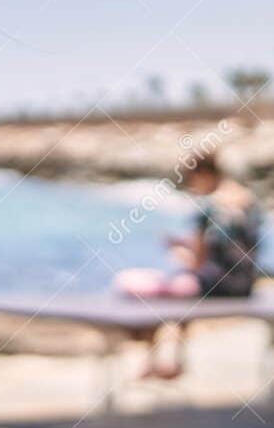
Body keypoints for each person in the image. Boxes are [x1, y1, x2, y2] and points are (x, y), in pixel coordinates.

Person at [110, 148, 263, 378]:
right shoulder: (247, 199)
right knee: (182, 290)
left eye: (192, 181)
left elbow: (198, 263)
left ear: (203, 174)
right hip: (244, 285)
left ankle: (154, 361)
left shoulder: (209, 207)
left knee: (152, 291)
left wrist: (179, 251)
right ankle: (177, 360)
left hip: (216, 287)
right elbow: (234, 247)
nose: (192, 187)